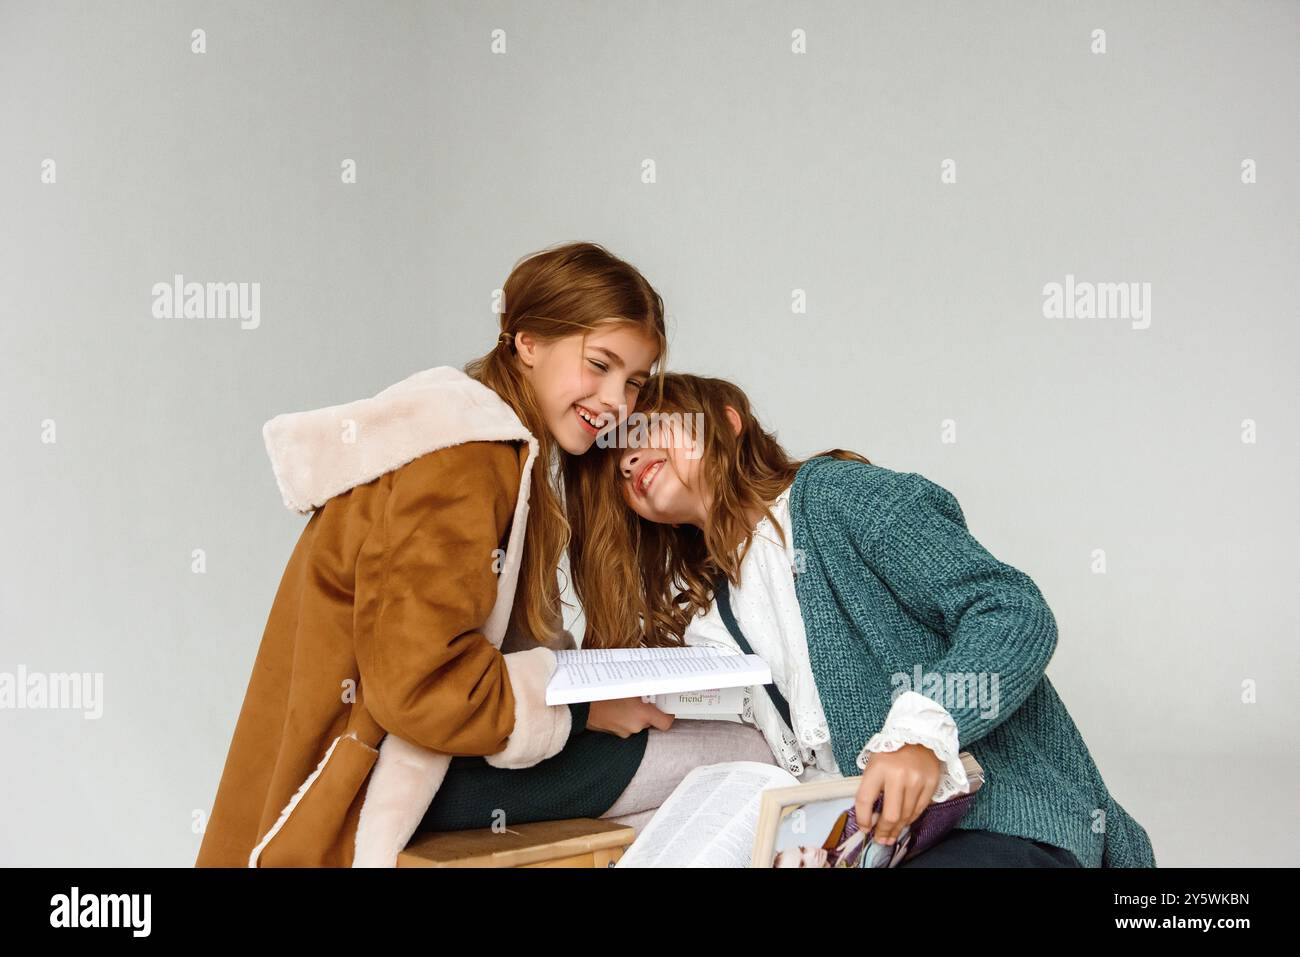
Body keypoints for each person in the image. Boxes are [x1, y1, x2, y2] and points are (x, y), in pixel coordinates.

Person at [195, 241, 678, 867]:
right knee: (732, 757)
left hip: (405, 762)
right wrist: (582, 708)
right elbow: (419, 686)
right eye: (599, 364)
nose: (616, 401)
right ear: (527, 342)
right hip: (377, 787)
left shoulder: (483, 445)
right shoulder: (465, 458)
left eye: (633, 381)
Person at [565, 371, 1157, 868]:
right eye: (618, 461)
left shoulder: (837, 497)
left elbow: (1011, 610)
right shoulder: (709, 615)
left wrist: (921, 737)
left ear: (727, 421)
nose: (630, 459)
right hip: (872, 849)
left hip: (993, 821)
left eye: (650, 429)